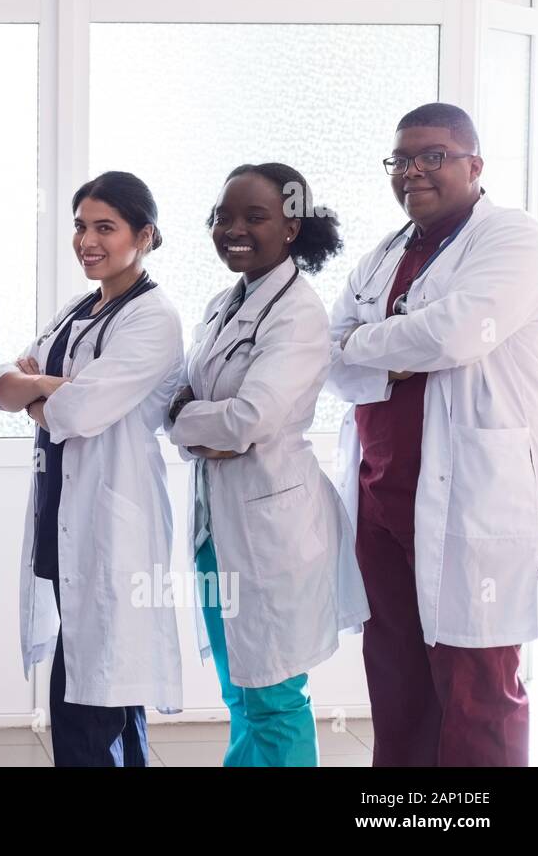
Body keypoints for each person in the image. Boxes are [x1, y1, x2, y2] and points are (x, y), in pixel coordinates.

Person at [328, 103, 538, 766]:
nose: (412, 170)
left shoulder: (513, 237)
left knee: (477, 684)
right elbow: (329, 356)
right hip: (382, 498)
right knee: (395, 681)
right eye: (401, 159)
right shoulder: (382, 255)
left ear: (475, 165)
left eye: (433, 156)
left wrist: (371, 345)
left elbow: (456, 332)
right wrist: (387, 347)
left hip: (469, 500)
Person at [167, 163, 368, 767]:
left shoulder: (299, 313)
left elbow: (250, 420)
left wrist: (194, 421)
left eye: (255, 217)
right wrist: (200, 425)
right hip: (216, 528)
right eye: (224, 216)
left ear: (292, 227)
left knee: (275, 694)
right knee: (241, 692)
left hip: (273, 530)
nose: (235, 229)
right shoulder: (221, 304)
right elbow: (176, 406)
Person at [0, 170, 184, 766]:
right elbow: (0, 387)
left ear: (143, 235)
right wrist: (49, 386)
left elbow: (79, 411)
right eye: (80, 225)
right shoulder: (81, 306)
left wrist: (44, 395)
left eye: (105, 227)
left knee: (98, 703)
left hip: (111, 521)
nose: (87, 240)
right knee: (89, 691)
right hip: (65, 515)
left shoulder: (153, 317)